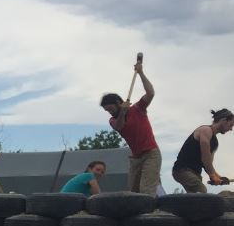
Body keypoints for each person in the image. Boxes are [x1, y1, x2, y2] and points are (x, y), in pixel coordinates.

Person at [100, 61, 160, 195]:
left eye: (110, 108)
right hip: (135, 158)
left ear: (117, 103)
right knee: (133, 191)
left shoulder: (138, 108)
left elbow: (150, 93)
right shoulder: (113, 120)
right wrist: (122, 112)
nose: (109, 112)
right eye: (107, 110)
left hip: (151, 154)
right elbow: (119, 126)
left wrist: (141, 73)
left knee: (146, 190)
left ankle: (149, 214)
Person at [172, 108, 234, 193]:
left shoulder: (215, 143)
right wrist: (212, 175)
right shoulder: (206, 130)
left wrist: (218, 177)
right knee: (201, 191)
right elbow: (205, 157)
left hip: (195, 173)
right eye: (231, 125)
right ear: (224, 120)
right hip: (182, 170)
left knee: (197, 197)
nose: (231, 129)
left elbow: (208, 164)